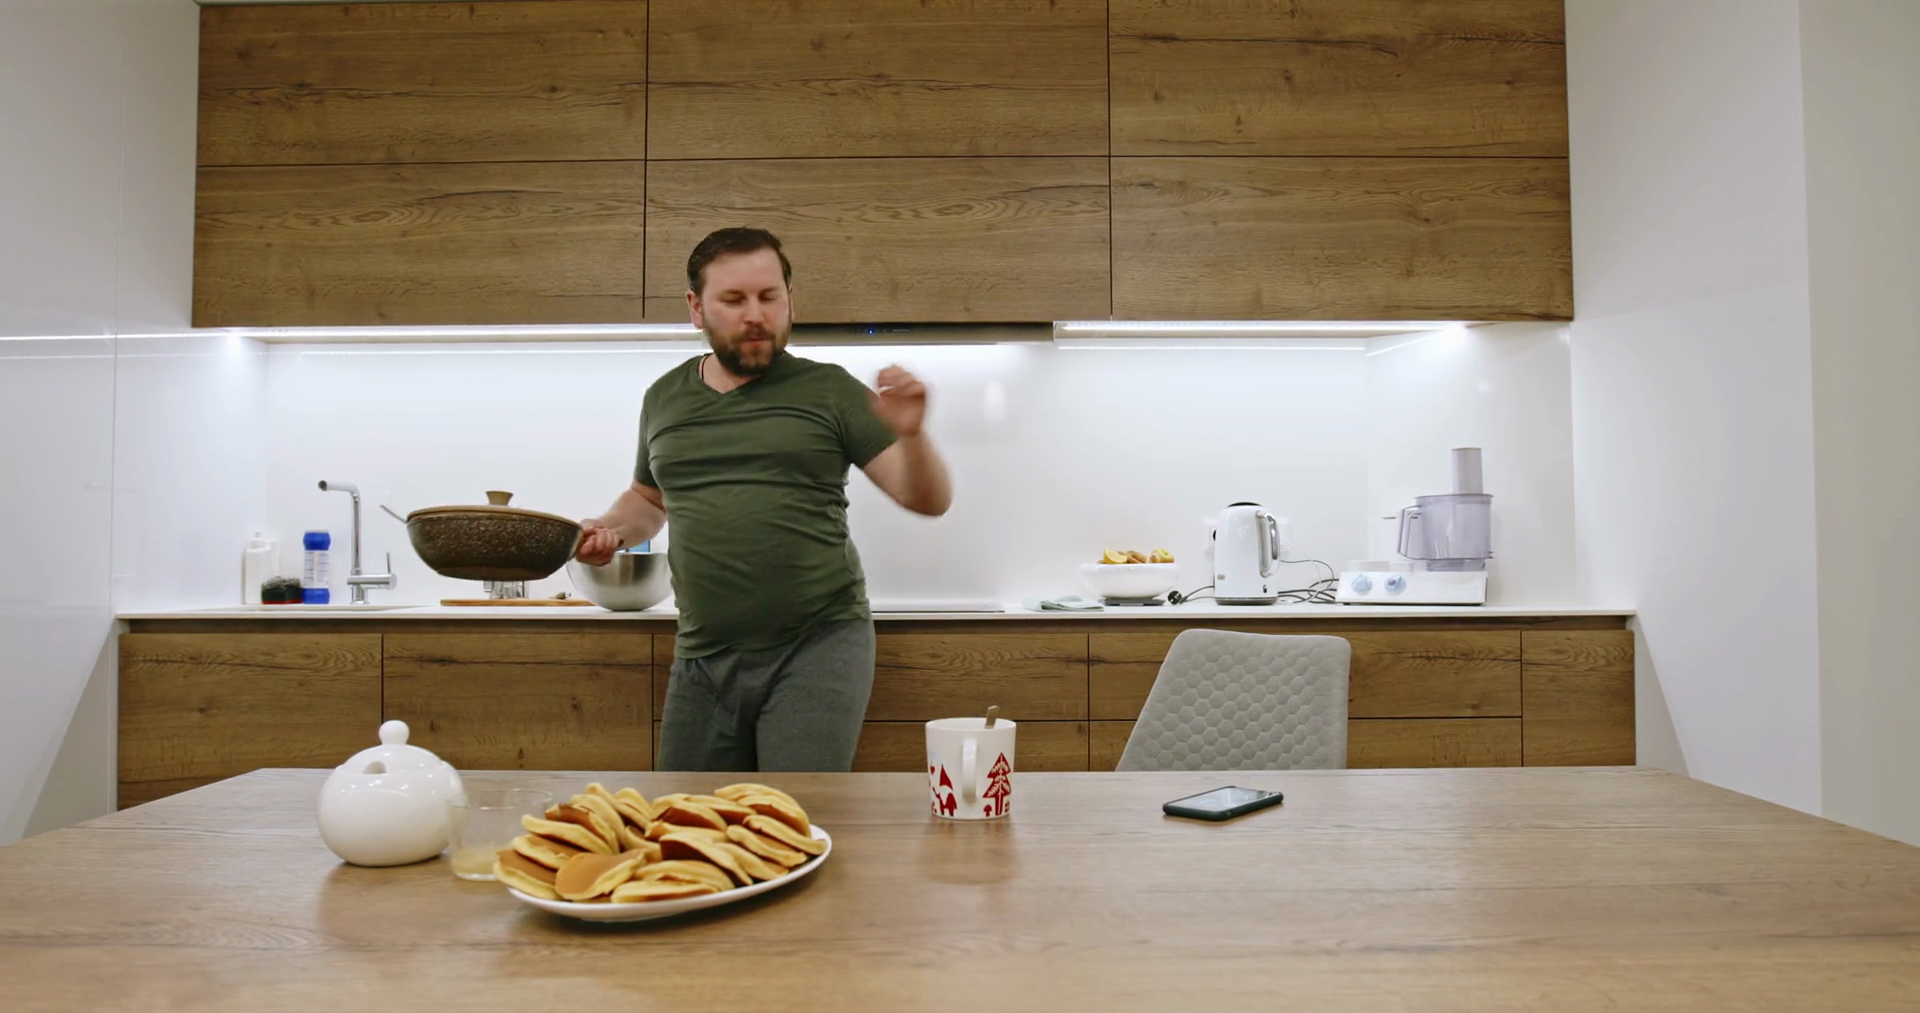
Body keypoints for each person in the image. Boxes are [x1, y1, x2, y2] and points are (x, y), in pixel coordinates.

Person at [575, 227, 952, 772]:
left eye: (769, 297)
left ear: (789, 300)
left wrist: (913, 437)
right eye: (734, 299)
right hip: (702, 654)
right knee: (686, 815)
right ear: (696, 307)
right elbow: (649, 500)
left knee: (796, 811)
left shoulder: (830, 391)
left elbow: (927, 499)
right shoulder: (664, 398)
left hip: (817, 645)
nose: (755, 314)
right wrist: (611, 530)